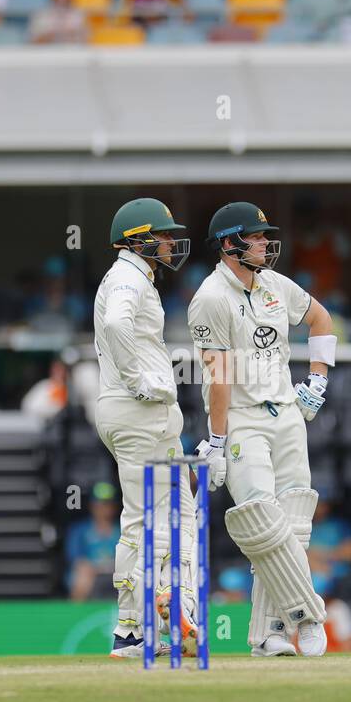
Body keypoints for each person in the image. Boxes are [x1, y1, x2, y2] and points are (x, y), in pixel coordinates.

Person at [188, 201, 338, 657]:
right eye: (254, 238)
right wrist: (216, 440)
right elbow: (219, 377)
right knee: (260, 518)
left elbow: (320, 318)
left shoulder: (274, 284)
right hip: (243, 420)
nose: (264, 244)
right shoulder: (211, 299)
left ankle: (266, 636)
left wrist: (317, 379)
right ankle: (308, 614)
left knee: (294, 522)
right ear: (230, 244)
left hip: (287, 413)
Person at [92, 197, 197, 659]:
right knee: (155, 516)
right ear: (140, 239)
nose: (173, 242)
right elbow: (116, 323)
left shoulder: (136, 277)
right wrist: (142, 379)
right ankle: (145, 621)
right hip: (137, 411)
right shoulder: (127, 277)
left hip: (136, 413)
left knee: (153, 513)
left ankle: (135, 626)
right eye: (165, 235)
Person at [65, 482, 121, 601]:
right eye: (100, 504)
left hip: (117, 572)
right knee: (82, 573)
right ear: (92, 506)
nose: (104, 509)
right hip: (90, 573)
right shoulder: (79, 530)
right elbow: (75, 560)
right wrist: (97, 567)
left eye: (108, 504)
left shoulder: (123, 530)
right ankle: (76, 615)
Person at [307, 497, 351, 597]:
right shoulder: (301, 526)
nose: (318, 508)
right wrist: (313, 563)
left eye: (322, 504)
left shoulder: (340, 525)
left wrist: (318, 554)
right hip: (308, 573)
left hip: (337, 574)